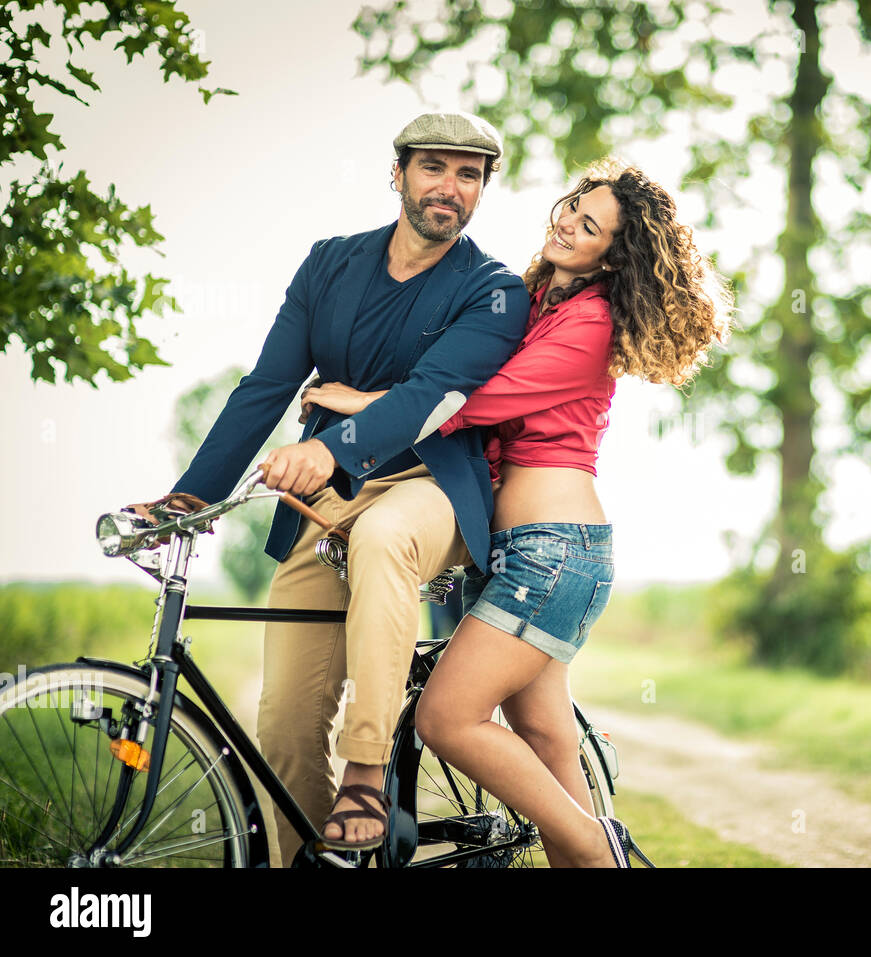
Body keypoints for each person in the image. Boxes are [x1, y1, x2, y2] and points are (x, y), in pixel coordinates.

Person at [127, 111, 531, 866]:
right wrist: (189, 496)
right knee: (283, 719)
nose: (450, 187)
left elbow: (430, 401)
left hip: (430, 489)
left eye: (469, 174)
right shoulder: (328, 266)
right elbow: (269, 385)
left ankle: (369, 773)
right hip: (326, 505)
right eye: (434, 168)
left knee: (385, 536)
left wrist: (329, 441)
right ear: (400, 172)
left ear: (483, 189)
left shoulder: (496, 292)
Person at [301, 159, 733, 865]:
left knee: (446, 717)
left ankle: (602, 844)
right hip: (521, 550)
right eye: (571, 206)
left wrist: (364, 403)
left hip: (553, 551)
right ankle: (596, 852)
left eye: (589, 225)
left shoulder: (591, 321)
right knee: (547, 742)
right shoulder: (538, 304)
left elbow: (478, 401)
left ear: (612, 255)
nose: (567, 222)